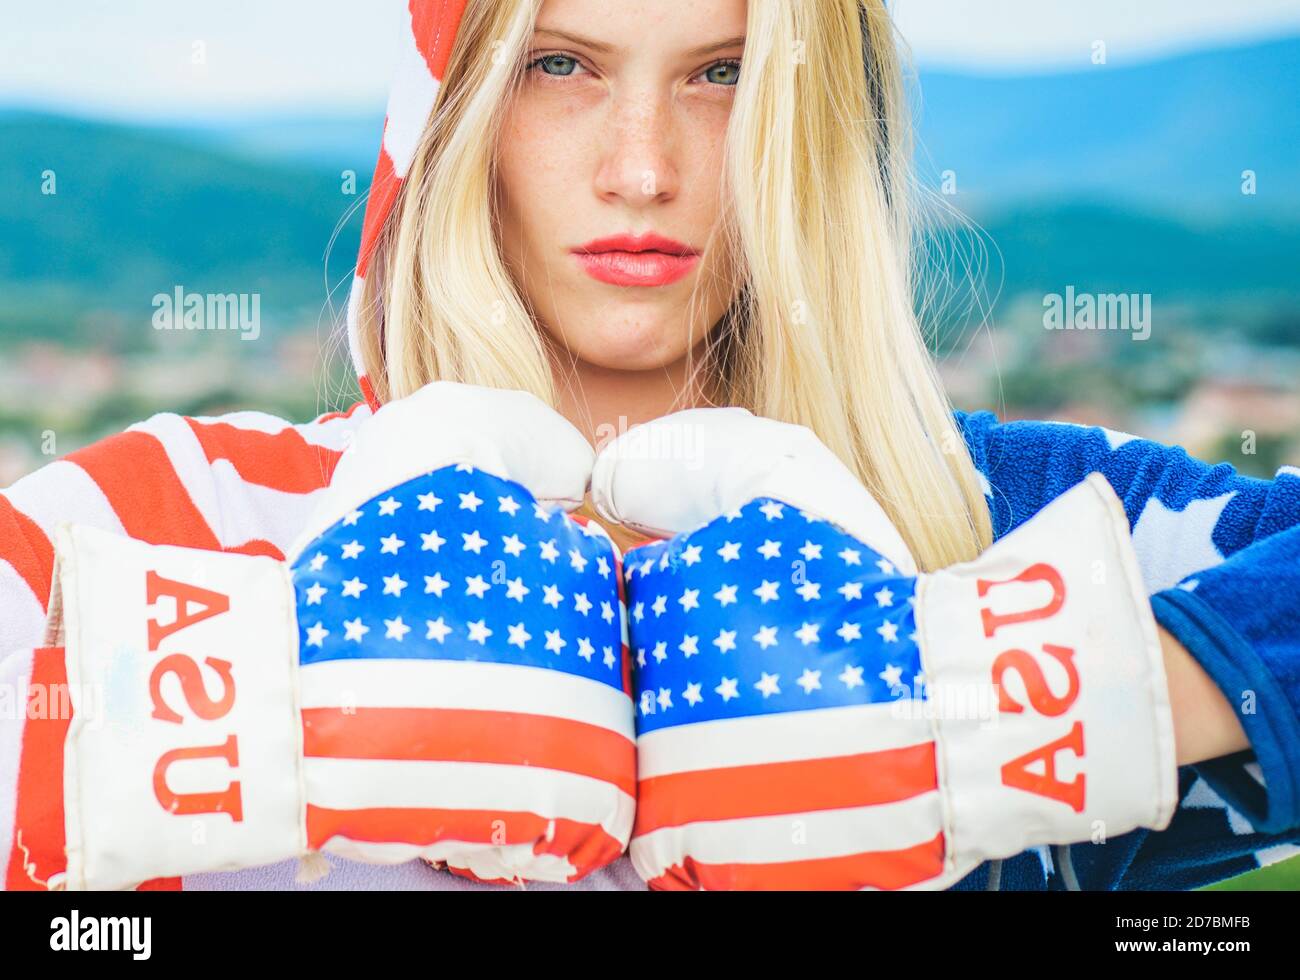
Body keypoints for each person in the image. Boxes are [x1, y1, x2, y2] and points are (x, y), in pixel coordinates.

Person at [1, 0, 1297, 891]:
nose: (642, 168)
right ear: (453, 112)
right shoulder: (201, 526)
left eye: (723, 72)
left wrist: (997, 704)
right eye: (561, 64)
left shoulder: (978, 527)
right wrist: (248, 717)